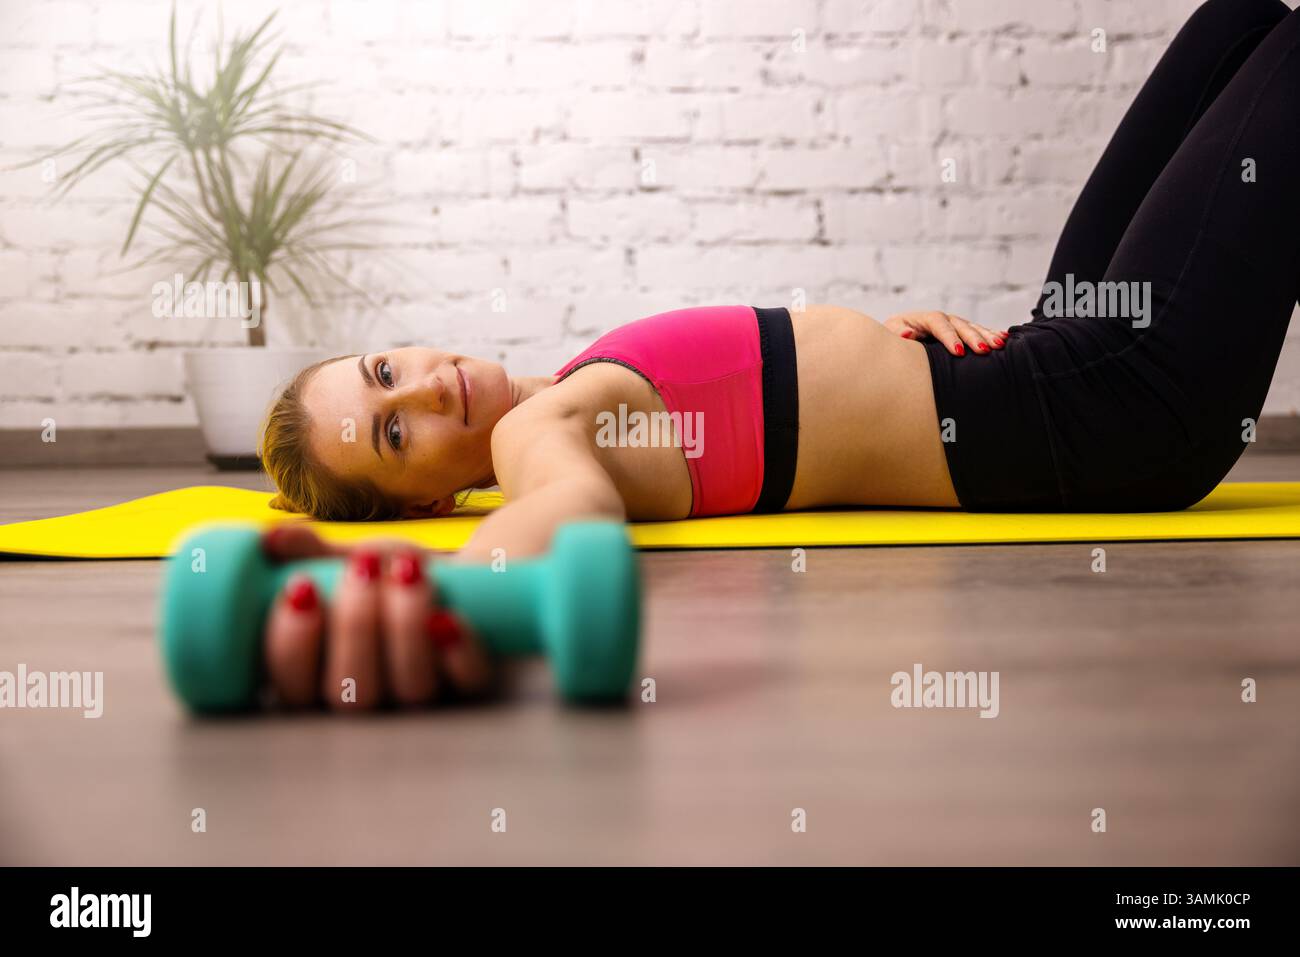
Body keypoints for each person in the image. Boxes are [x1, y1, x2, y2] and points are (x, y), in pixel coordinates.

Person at [255, 0, 1300, 711]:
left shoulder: (568, 383)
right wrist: (428, 598)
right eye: (398, 435)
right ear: (430, 505)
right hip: (1116, 405)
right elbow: (568, 516)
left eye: (385, 373)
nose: (428, 389)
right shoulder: (540, 432)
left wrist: (898, 350)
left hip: (1044, 364)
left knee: (1239, 25)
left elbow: (776, 386)